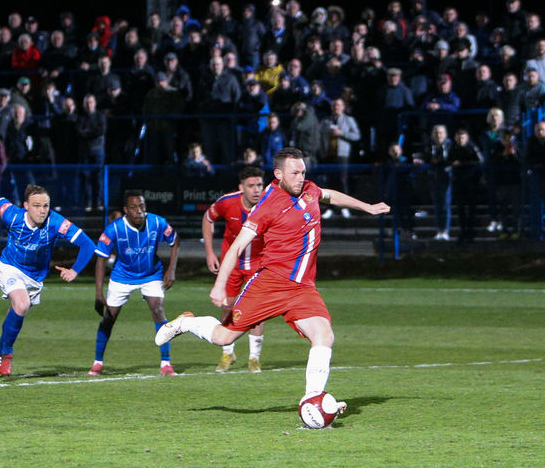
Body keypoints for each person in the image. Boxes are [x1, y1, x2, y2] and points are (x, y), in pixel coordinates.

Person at [155, 148, 390, 423]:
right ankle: (186, 323)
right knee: (223, 338)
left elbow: (329, 194)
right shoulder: (267, 204)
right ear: (278, 174)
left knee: (324, 336)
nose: (301, 177)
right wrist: (220, 286)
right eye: (295, 173)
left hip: (303, 289)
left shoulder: (309, 189)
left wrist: (367, 207)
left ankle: (312, 399)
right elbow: (237, 246)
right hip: (269, 285)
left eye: (303, 172)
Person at [0, 184, 97, 377]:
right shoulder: (12, 215)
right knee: (21, 305)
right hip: (9, 268)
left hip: (34, 278)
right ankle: (7, 354)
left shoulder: (56, 222)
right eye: (36, 205)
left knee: (15, 313)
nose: (42, 210)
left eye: (45, 205)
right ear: (26, 206)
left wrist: (74, 270)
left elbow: (87, 244)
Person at [89, 190, 180, 377]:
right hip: (122, 276)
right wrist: (99, 292)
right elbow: (101, 260)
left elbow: (175, 240)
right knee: (109, 317)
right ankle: (97, 363)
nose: (139, 211)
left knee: (157, 308)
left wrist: (171, 269)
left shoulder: (156, 222)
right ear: (125, 210)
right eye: (134, 207)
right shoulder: (114, 229)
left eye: (142, 207)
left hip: (151, 274)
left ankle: (166, 363)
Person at [201, 166, 267, 372]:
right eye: (251, 186)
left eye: (259, 185)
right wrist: (210, 252)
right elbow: (207, 218)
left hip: (258, 263)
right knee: (228, 305)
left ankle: (254, 358)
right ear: (241, 187)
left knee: (256, 309)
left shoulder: (270, 203)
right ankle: (227, 353)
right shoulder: (227, 202)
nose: (256, 190)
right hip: (232, 265)